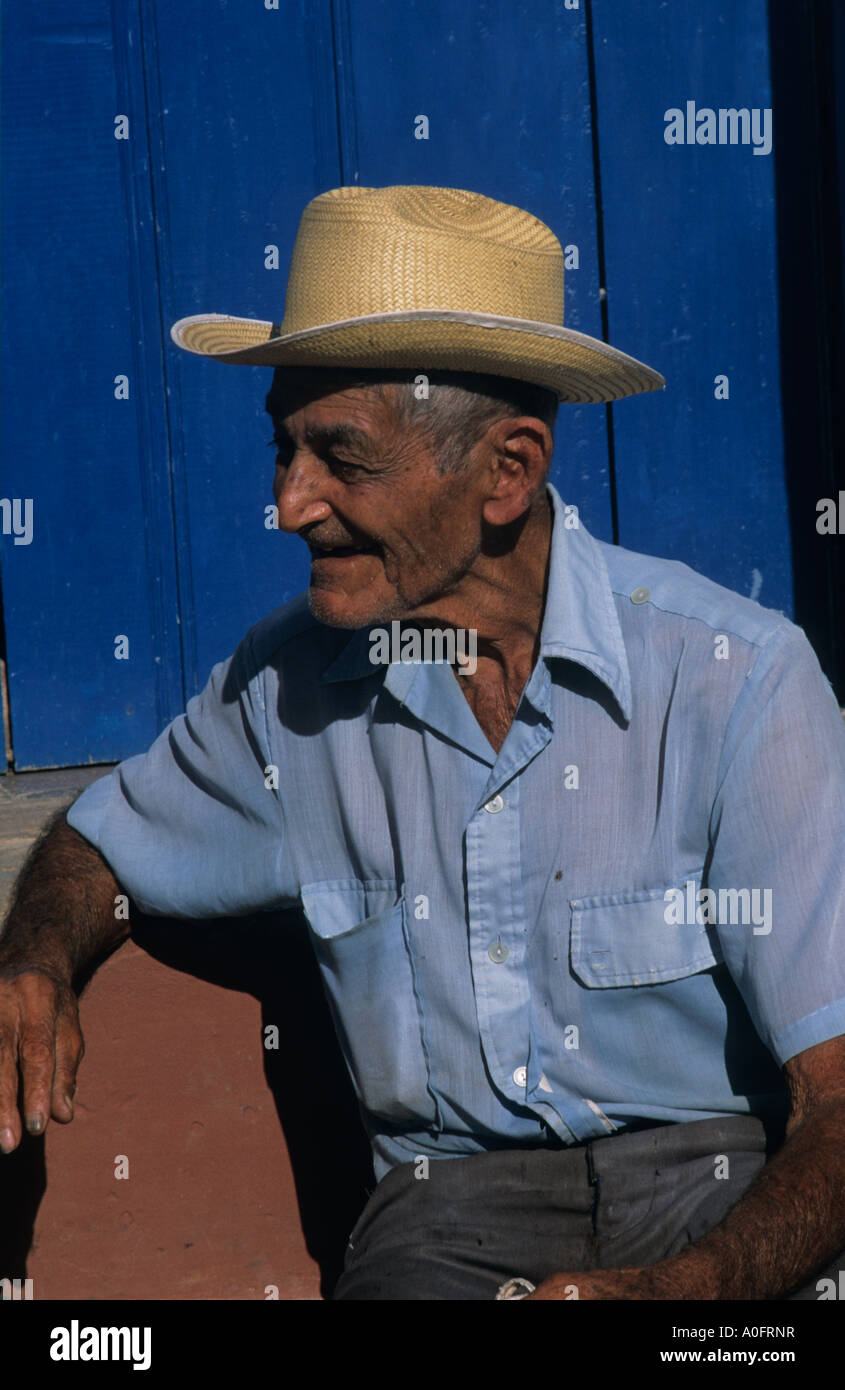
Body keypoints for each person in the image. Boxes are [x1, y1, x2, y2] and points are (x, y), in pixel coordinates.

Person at [1, 185, 844, 1301]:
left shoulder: (735, 682)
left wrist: (681, 1297)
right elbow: (97, 846)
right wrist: (34, 959)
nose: (290, 502)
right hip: (443, 1225)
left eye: (339, 457)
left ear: (506, 472)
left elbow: (836, 1106)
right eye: (282, 450)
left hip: (712, 1199)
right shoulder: (283, 694)